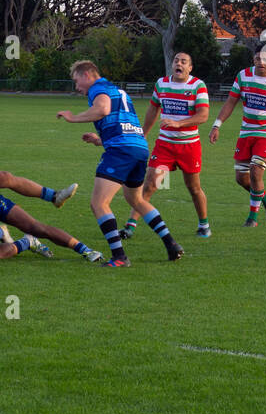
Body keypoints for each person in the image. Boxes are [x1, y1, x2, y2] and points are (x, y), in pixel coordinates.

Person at [58, 60, 183, 267]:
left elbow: (102, 110)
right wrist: (99, 140)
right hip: (139, 148)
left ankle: (119, 256)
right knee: (136, 200)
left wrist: (73, 118)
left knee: (99, 203)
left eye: (76, 80)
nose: (77, 87)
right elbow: (122, 122)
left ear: (88, 74)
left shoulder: (97, 88)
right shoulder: (117, 90)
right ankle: (171, 244)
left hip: (121, 151)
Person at [123, 52, 212, 240]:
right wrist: (143, 135)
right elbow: (153, 109)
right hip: (165, 145)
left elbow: (203, 115)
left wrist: (179, 123)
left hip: (189, 147)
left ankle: (204, 225)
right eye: (176, 61)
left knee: (193, 188)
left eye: (184, 62)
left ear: (190, 67)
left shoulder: (198, 86)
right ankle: (130, 225)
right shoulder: (161, 83)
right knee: (150, 184)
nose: (179, 64)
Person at [209, 49, 266, 227]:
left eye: (265, 59)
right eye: (257, 58)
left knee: (256, 171)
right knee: (241, 178)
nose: (261, 62)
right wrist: (217, 125)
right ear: (253, 60)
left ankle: (252, 219)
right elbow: (231, 102)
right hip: (246, 132)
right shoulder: (243, 76)